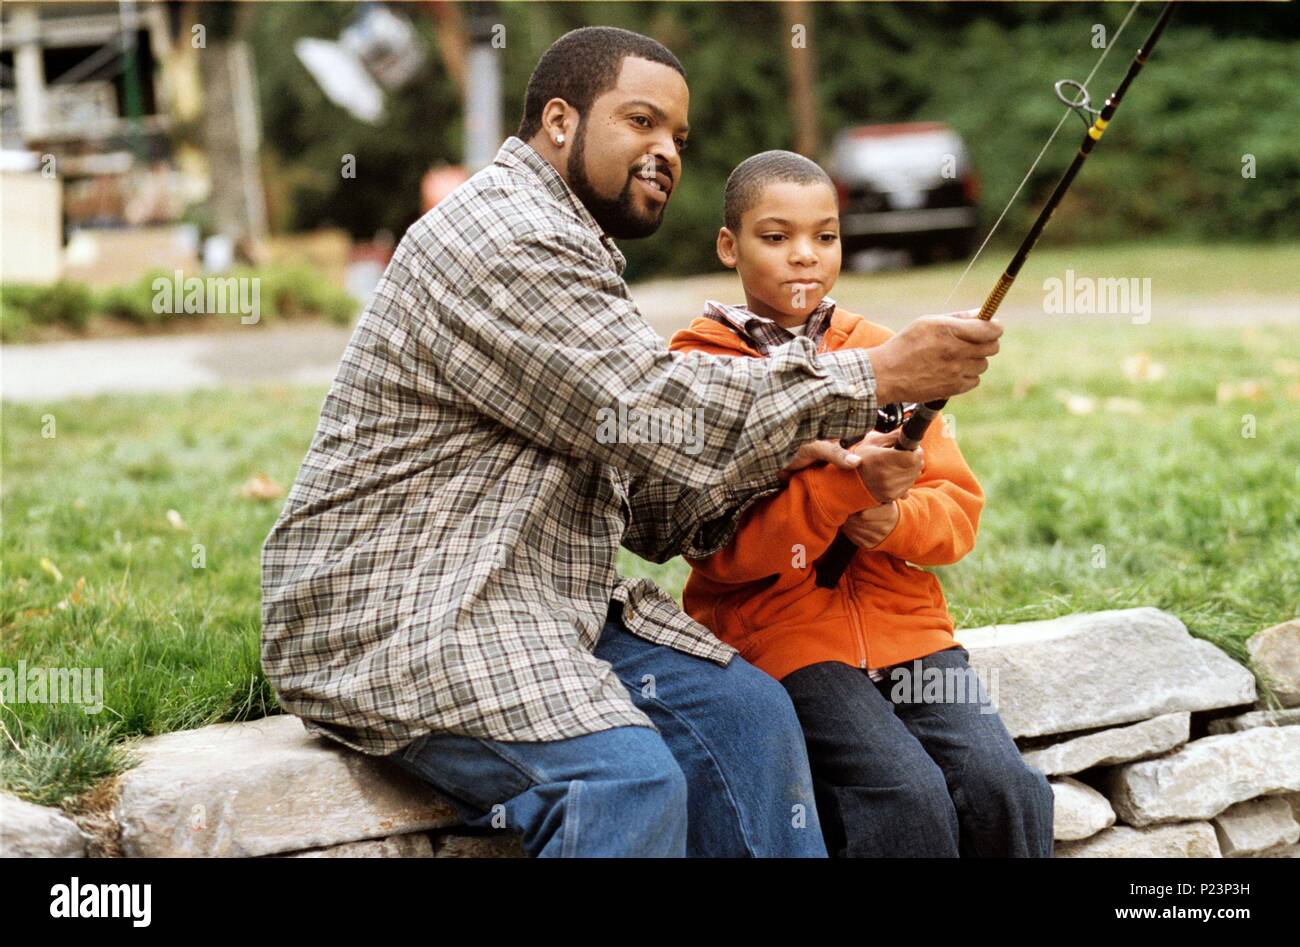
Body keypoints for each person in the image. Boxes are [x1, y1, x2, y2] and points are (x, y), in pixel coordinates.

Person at [260, 27, 1003, 857]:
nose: (665, 152)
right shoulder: (507, 237)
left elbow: (654, 506)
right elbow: (647, 407)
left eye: (678, 138)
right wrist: (873, 377)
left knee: (750, 716)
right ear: (559, 121)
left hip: (538, 594)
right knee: (626, 779)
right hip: (404, 609)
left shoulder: (577, 247)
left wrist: (805, 456)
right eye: (641, 122)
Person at [668, 150, 1053, 857]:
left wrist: (892, 520)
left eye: (826, 235)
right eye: (776, 237)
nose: (804, 258)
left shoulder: (885, 351)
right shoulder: (699, 371)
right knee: (902, 792)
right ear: (730, 245)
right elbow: (720, 554)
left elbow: (958, 511)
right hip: (783, 636)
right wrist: (843, 492)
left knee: (1009, 788)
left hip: (912, 632)